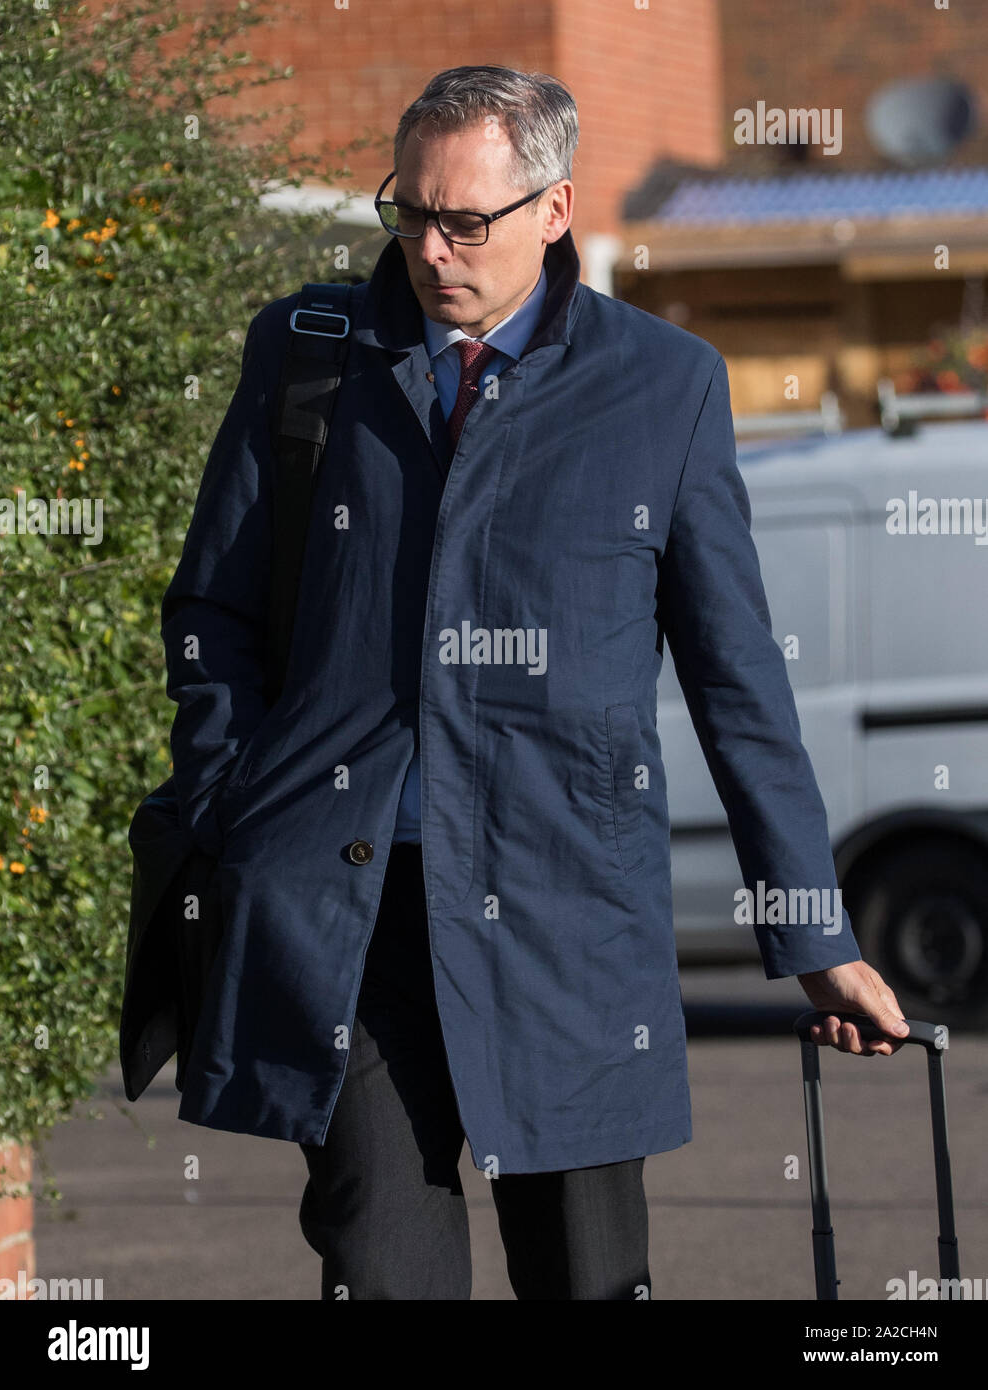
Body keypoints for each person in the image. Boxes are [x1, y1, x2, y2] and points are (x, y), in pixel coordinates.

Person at [160, 65, 909, 1301]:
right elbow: (211, 611)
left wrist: (815, 930)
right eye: (409, 213)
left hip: (568, 921)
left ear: (555, 209)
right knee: (382, 1275)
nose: (431, 247)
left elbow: (737, 683)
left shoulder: (664, 386)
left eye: (468, 221)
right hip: (353, 920)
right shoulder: (306, 358)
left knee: (590, 1279)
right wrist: (239, 802)